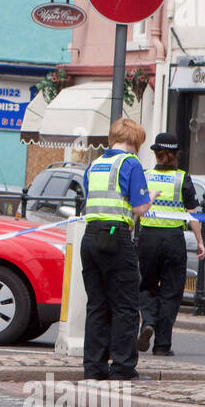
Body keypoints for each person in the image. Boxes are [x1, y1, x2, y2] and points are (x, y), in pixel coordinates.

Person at [81, 117, 153, 380]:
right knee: (125, 305)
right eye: (138, 144)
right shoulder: (130, 163)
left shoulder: (94, 164)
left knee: (97, 305)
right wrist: (151, 197)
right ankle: (123, 368)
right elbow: (139, 207)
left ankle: (94, 368)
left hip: (90, 238)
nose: (138, 149)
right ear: (133, 140)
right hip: (117, 238)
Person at [136, 133, 205, 357]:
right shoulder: (182, 178)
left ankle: (148, 322)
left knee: (146, 285)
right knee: (171, 291)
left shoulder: (145, 176)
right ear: (176, 154)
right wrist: (200, 241)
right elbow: (192, 213)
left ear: (155, 153)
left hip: (148, 238)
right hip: (173, 240)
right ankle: (162, 345)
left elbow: (135, 210)